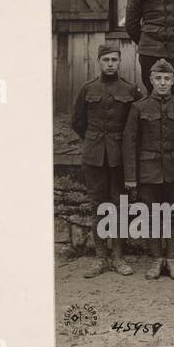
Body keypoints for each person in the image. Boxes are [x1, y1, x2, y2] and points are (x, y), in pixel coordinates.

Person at [71, 41, 140, 277]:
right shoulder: (87, 88)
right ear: (99, 62)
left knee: (119, 206)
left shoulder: (130, 90)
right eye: (106, 60)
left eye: (114, 60)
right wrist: (93, 141)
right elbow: (77, 122)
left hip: (119, 157)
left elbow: (135, 127)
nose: (110, 64)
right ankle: (100, 258)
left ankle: (118, 258)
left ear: (120, 62)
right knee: (98, 206)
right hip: (94, 157)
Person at [124, 59, 174, 281]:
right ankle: (156, 260)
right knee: (150, 216)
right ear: (151, 80)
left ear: (173, 81)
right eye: (158, 79)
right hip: (148, 171)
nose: (162, 83)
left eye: (167, 79)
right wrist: (131, 177)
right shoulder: (139, 107)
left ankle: (172, 260)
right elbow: (130, 143)